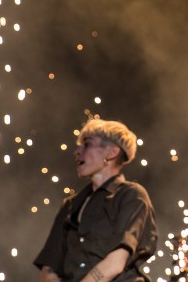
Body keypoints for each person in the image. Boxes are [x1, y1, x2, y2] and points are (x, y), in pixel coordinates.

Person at [35, 119, 158, 282]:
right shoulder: (71, 205)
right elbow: (49, 267)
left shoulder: (132, 195)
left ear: (111, 153)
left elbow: (117, 260)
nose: (77, 151)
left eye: (87, 144)